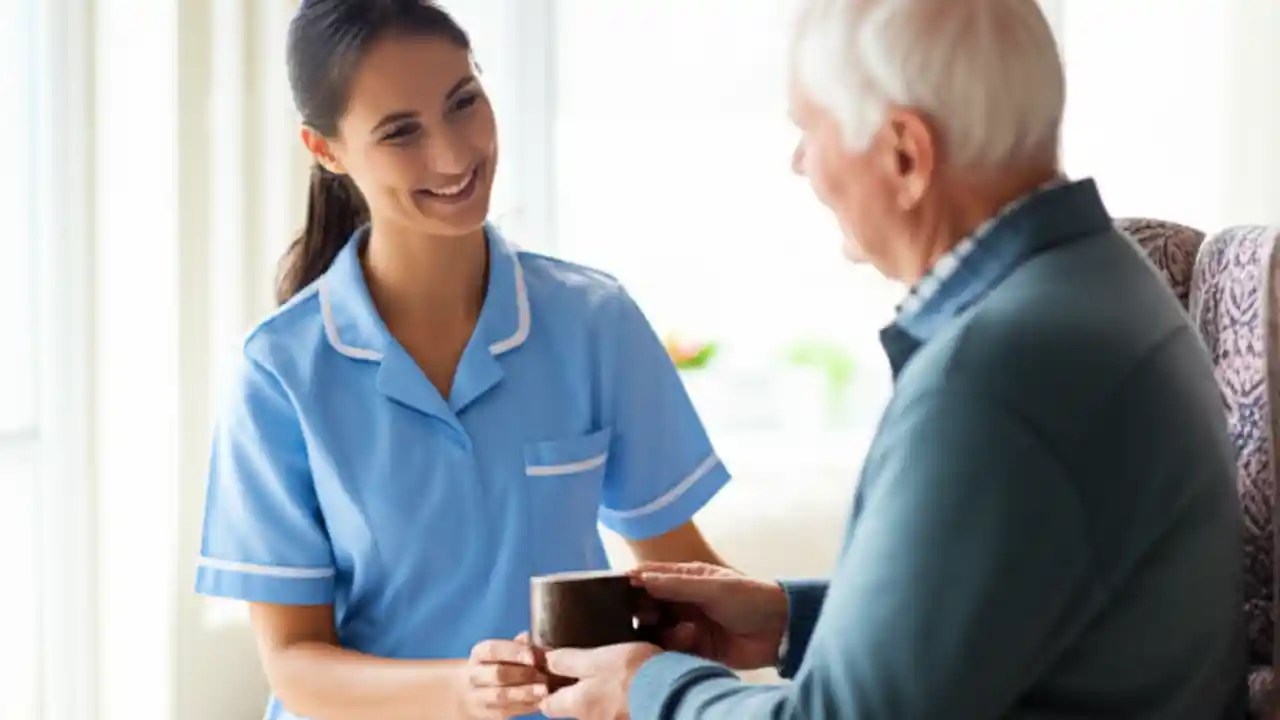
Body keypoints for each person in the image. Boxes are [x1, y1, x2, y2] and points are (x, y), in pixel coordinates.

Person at [534, 0, 1246, 718]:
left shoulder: (995, 375)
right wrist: (788, 620)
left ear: (905, 155)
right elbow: (1015, 616)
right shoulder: (1098, 283)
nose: (800, 162)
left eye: (809, 129)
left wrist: (647, 691)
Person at [193, 2, 731, 719]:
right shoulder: (279, 373)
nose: (452, 156)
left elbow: (684, 583)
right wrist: (463, 689)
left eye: (463, 102)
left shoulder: (594, 322)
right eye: (400, 132)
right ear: (325, 150)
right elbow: (295, 663)